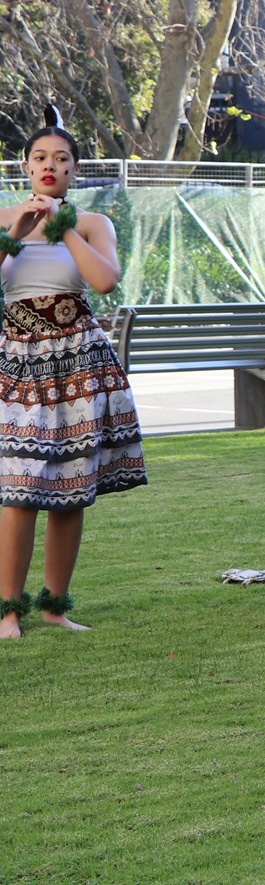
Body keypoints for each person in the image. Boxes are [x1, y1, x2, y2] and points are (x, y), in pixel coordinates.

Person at [0, 112, 146, 638]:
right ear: (25, 166)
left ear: (75, 170)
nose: (50, 166)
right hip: (19, 362)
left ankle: (53, 606)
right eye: (40, 157)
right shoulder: (4, 216)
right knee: (19, 486)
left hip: (78, 361)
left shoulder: (92, 223)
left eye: (61, 159)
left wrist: (65, 228)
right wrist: (15, 234)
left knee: (69, 486)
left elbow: (105, 281)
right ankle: (8, 611)